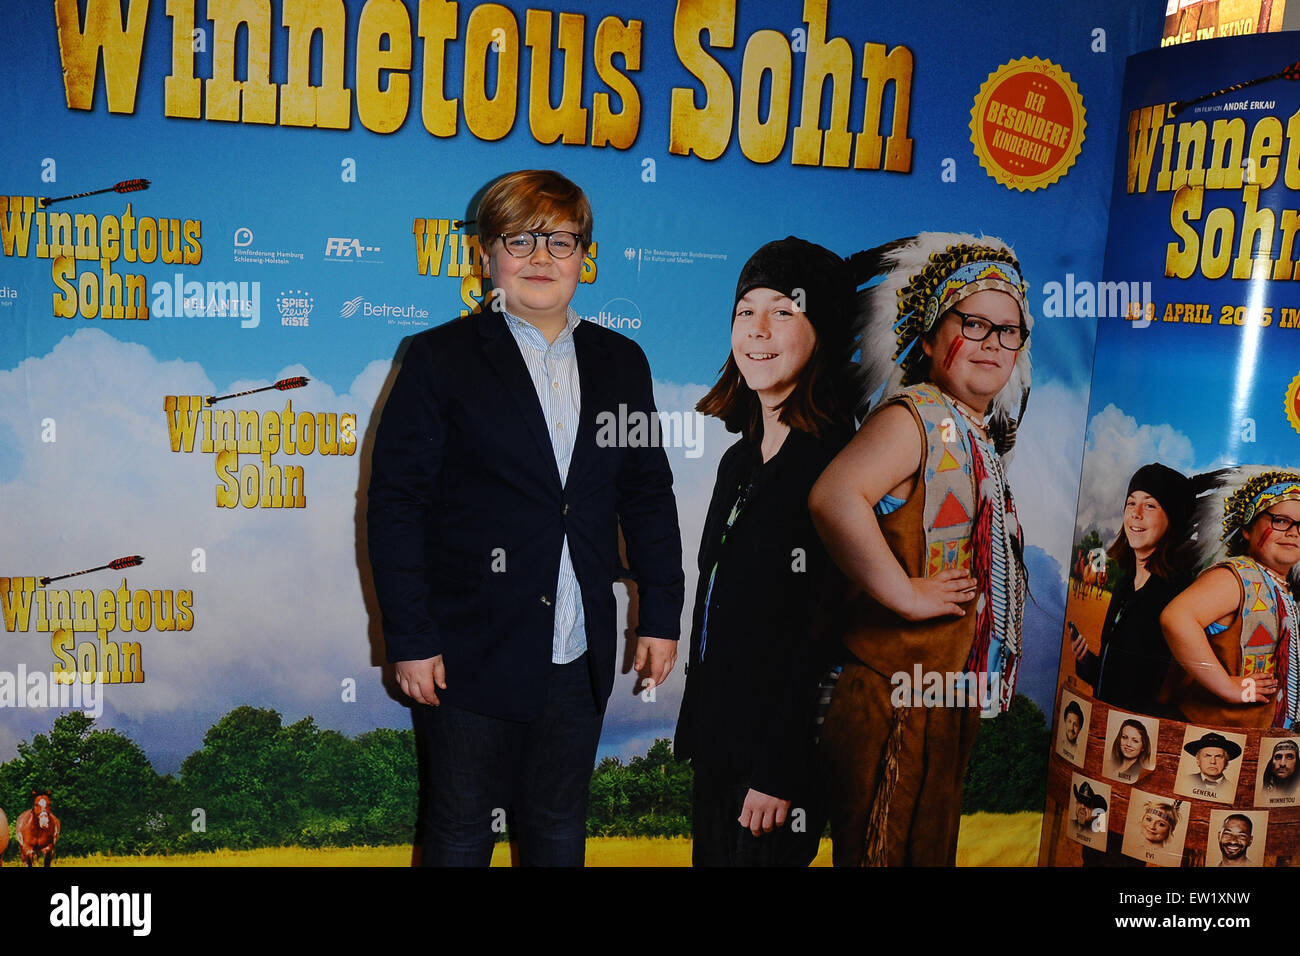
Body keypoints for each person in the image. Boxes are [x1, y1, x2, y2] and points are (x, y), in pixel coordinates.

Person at [367, 170, 684, 867]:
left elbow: (648, 493)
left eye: (562, 240)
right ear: (486, 255)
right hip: (465, 653)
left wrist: (662, 612)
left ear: (584, 255)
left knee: (558, 832)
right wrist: (411, 635)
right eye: (521, 239)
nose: (542, 257)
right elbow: (397, 507)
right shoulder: (437, 359)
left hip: (577, 650)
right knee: (458, 836)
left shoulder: (623, 363)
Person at [812, 233, 1032, 866]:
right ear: (932, 338)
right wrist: (904, 594)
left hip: (938, 700)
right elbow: (834, 497)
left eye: (1009, 331)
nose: (993, 342)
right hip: (892, 697)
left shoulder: (972, 434)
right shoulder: (916, 418)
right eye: (974, 324)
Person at [674, 237, 857, 867]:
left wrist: (781, 769)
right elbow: (717, 597)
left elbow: (822, 631)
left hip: (776, 768)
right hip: (717, 744)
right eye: (744, 310)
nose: (757, 329)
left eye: (782, 310)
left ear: (823, 328)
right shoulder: (738, 461)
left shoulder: (836, 464)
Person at [1161, 469, 1300, 728]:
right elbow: (1177, 618)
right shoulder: (1237, 576)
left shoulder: (1281, 587)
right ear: (1247, 528)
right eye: (1281, 521)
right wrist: (1227, 687)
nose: (1293, 532)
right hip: (1221, 735)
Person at [1071, 464, 1195, 716]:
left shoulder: (1180, 593)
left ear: (1172, 518)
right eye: (1131, 503)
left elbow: (1167, 690)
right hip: (1106, 728)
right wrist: (1086, 661)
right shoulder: (1125, 584)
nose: (1136, 514)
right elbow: (1122, 679)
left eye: (1150, 505)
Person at [1182, 731, 1241, 800]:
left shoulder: (1233, 790)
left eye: (1218, 756)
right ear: (1198, 760)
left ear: (1226, 761)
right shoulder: (1185, 782)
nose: (1213, 761)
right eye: (1207, 756)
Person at [1109, 718, 1152, 783]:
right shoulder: (1110, 766)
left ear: (1143, 747)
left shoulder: (1141, 774)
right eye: (1124, 737)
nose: (1128, 744)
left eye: (1135, 741)